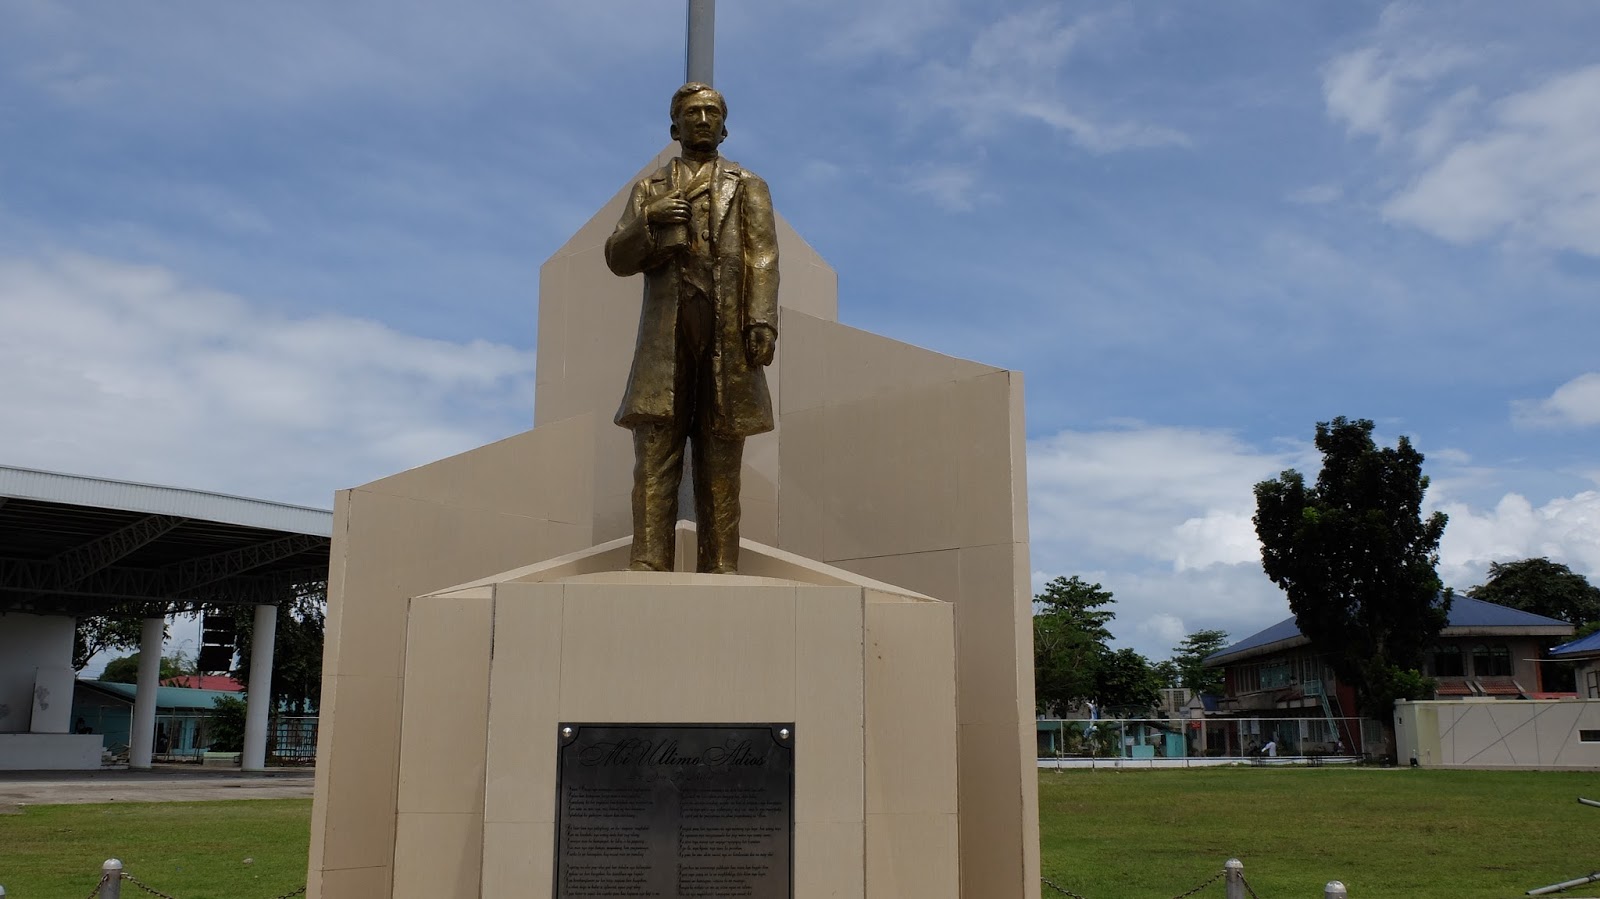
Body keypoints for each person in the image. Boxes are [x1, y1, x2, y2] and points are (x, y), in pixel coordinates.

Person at [605, 82, 779, 573]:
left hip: (727, 336)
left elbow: (763, 257)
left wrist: (761, 319)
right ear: (674, 127)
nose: (702, 120)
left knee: (721, 452)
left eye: (711, 113)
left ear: (725, 129)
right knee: (655, 449)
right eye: (692, 113)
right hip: (668, 336)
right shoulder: (649, 190)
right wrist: (650, 220)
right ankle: (649, 560)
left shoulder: (748, 185)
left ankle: (721, 564)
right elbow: (617, 258)